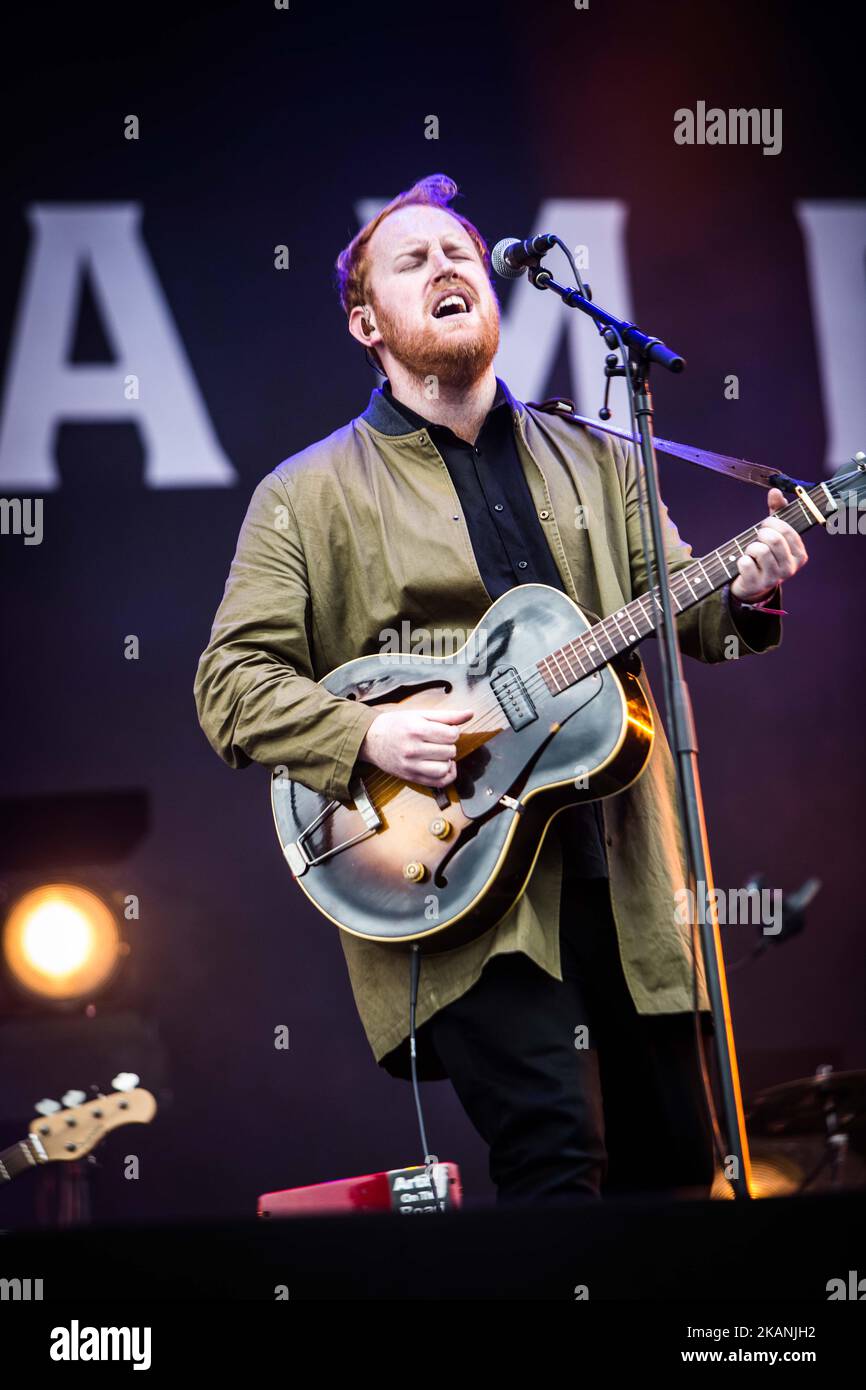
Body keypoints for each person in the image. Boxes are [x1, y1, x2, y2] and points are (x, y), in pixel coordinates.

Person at [194, 173, 808, 1204]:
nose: (447, 267)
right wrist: (366, 735)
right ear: (364, 322)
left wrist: (746, 588)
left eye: (461, 256)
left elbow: (694, 617)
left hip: (626, 877)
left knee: (675, 1169)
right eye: (413, 259)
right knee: (557, 1162)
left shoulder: (600, 457)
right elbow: (228, 683)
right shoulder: (304, 495)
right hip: (455, 879)